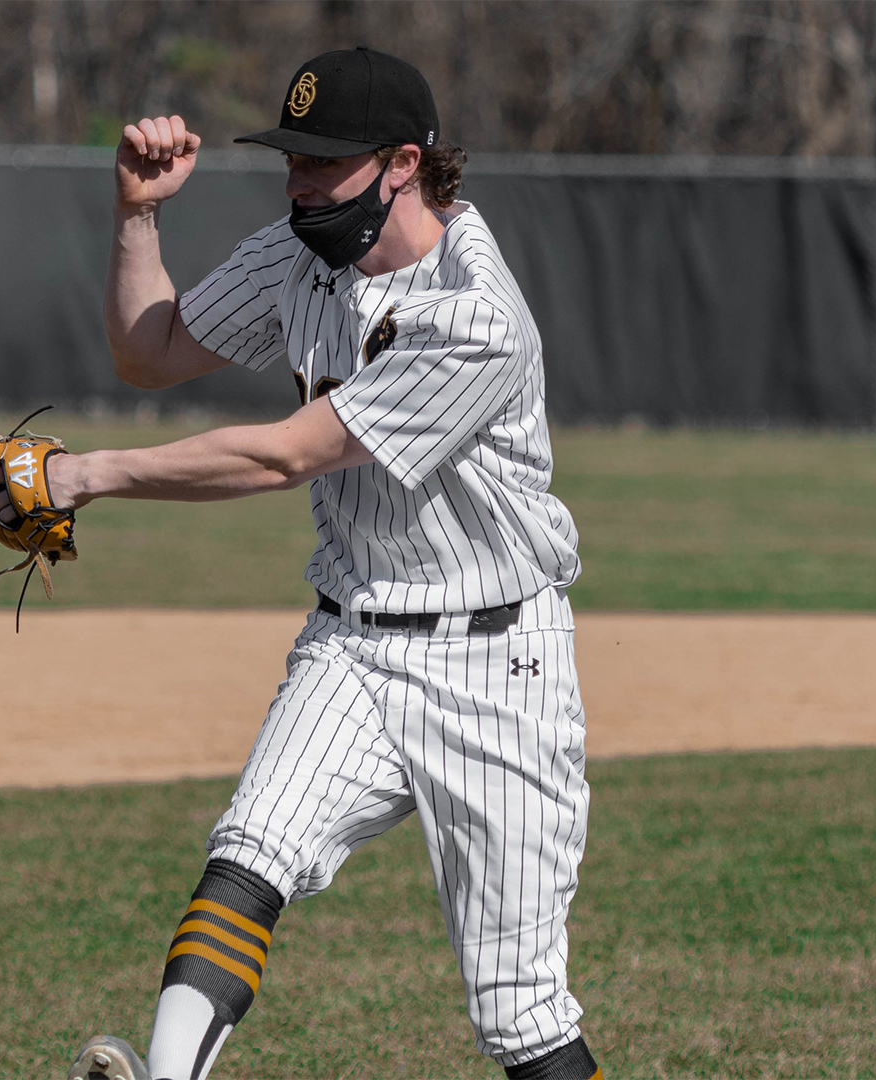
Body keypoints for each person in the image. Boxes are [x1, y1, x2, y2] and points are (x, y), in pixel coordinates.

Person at [31, 47, 601, 1080]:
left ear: (402, 164)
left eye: (323, 161)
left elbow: (285, 455)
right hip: (352, 640)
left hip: (499, 667)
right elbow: (148, 352)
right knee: (246, 856)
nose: (298, 181)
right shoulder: (306, 255)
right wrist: (137, 216)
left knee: (521, 1015)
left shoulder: (474, 318)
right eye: (291, 156)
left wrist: (83, 476)